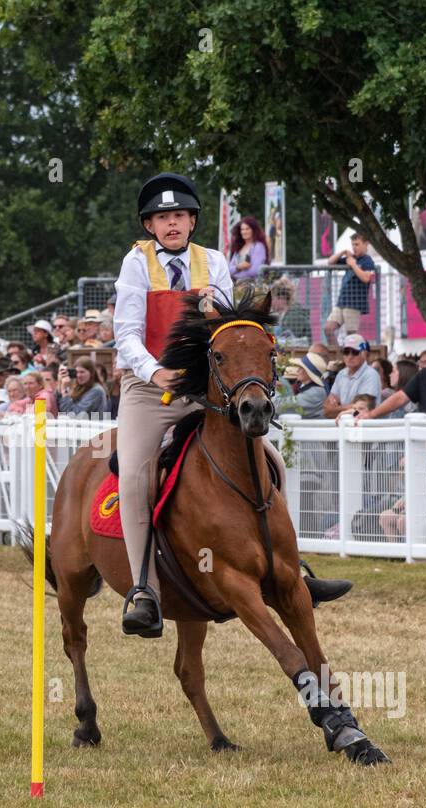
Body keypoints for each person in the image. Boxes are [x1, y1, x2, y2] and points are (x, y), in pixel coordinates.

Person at [112, 172, 230, 635]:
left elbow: (224, 326)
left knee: (266, 456)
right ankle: (144, 589)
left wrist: (212, 309)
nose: (172, 224)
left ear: (193, 221)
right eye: (163, 218)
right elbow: (125, 333)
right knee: (137, 475)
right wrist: (154, 372)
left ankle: (289, 565)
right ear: (150, 226)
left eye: (179, 215)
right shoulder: (136, 264)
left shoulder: (214, 261)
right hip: (149, 388)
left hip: (202, 385)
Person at [325, 233, 376, 336]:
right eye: (352, 244)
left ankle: (350, 352)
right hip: (341, 302)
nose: (354, 247)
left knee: (351, 336)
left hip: (354, 303)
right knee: (328, 329)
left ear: (366, 244)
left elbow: (366, 278)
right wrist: (342, 252)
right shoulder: (351, 258)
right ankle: (337, 352)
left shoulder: (367, 260)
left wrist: (353, 265)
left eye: (357, 244)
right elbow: (330, 262)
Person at [323, 334, 382, 419]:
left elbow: (362, 410)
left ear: (364, 353)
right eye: (346, 352)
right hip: (345, 426)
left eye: (355, 352)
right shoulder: (341, 374)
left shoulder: (371, 375)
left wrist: (335, 409)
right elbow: (327, 410)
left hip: (364, 428)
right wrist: (349, 407)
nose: (350, 356)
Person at [274, 353, 329, 419]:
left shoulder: (315, 392)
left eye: (301, 368)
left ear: (308, 372)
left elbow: (279, 407)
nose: (297, 370)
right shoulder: (309, 389)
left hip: (310, 428)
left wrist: (273, 389)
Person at [267, 277, 311, 342]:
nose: (270, 303)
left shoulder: (294, 315)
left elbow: (293, 342)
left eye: (272, 299)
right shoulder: (282, 315)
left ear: (282, 297)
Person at [227, 216, 269, 282]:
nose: (244, 232)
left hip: (253, 287)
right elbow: (228, 270)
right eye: (242, 229)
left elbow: (255, 271)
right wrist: (239, 267)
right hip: (237, 287)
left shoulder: (258, 247)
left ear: (253, 230)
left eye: (247, 229)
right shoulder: (239, 248)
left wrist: (235, 275)